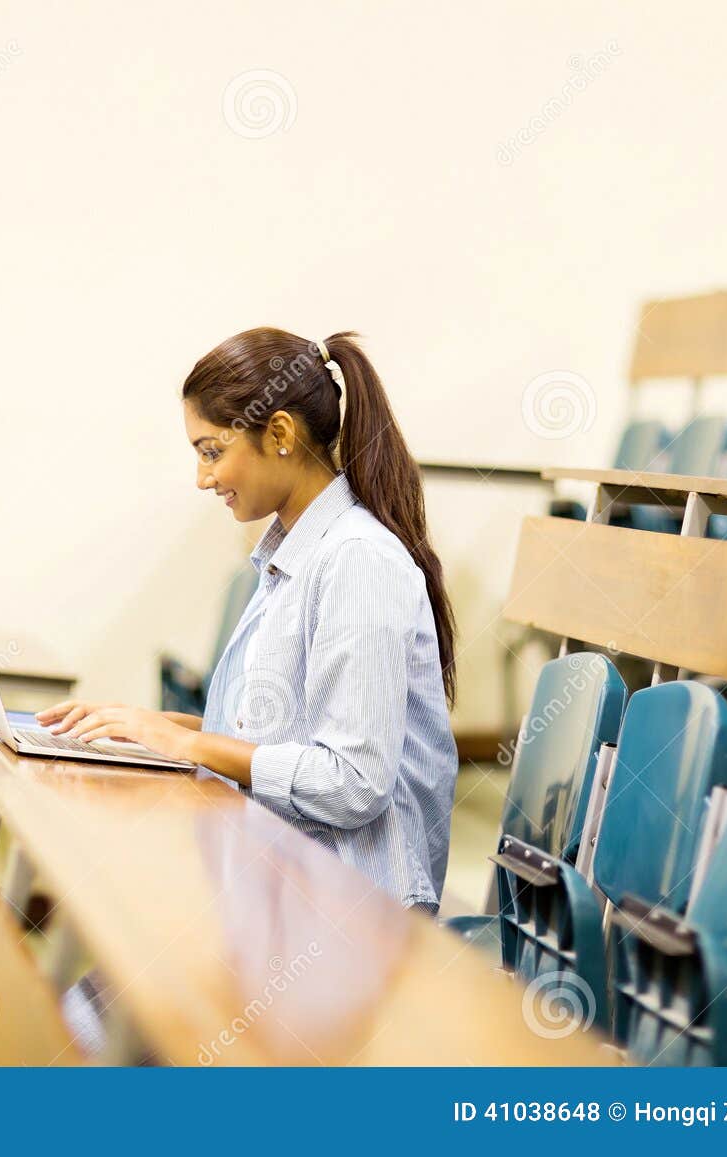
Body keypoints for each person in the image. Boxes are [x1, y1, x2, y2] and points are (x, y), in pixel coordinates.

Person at [38, 328, 459, 914]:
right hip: (286, 879)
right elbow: (281, 732)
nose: (202, 478)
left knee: (111, 983)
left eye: (212, 451)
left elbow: (354, 781)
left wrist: (189, 743)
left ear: (280, 433)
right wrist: (147, 727)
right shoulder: (294, 553)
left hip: (353, 907)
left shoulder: (358, 561)